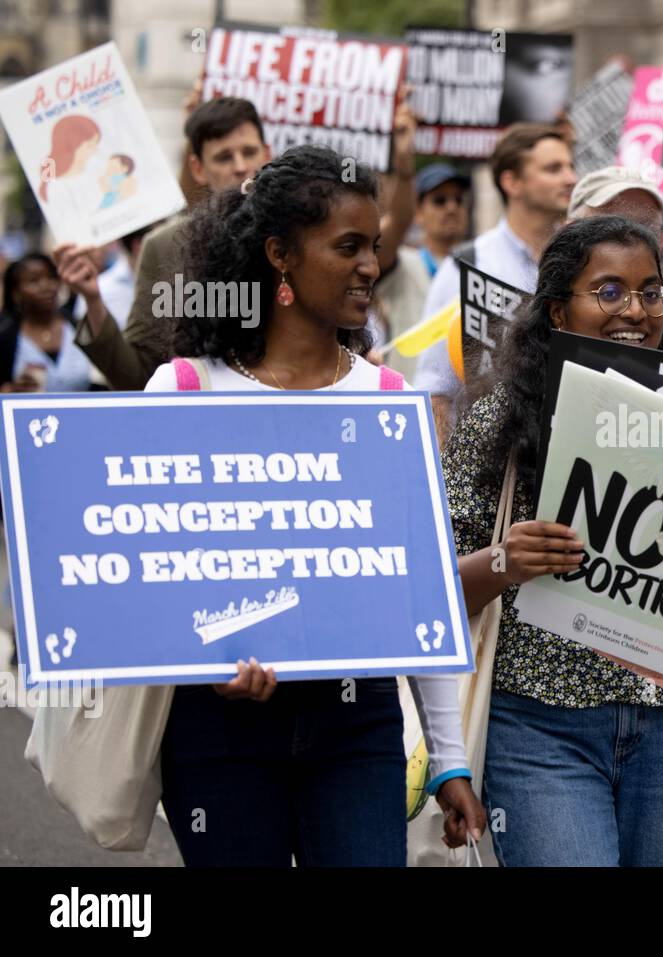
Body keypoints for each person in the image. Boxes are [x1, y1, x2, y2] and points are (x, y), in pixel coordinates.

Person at [115, 144, 483, 866]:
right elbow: (145, 572)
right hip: (218, 733)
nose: (370, 266)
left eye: (373, 246)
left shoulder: (389, 403)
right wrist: (206, 658)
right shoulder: (184, 388)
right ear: (279, 254)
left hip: (358, 729)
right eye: (346, 246)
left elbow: (421, 591)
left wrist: (448, 759)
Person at [443, 215, 663, 866]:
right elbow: (438, 591)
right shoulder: (499, 423)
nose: (634, 309)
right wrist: (505, 559)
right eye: (608, 291)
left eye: (650, 291)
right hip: (541, 731)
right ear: (558, 311)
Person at [72, 97, 272, 390]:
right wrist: (92, 299)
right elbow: (138, 377)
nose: (240, 167)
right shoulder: (165, 247)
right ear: (199, 168)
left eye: (249, 152)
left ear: (267, 155)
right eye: (224, 157)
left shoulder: (299, 238)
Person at [415, 124, 576, 442]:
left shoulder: (584, 261)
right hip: (490, 467)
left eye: (570, 166)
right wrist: (446, 478)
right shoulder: (468, 265)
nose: (570, 178)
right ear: (511, 182)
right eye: (553, 168)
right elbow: (436, 389)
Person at [567, 166, 663, 361]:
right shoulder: (524, 301)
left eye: (644, 227)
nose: (629, 239)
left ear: (662, 241)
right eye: (609, 223)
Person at [0, 254, 95, 393]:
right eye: (34, 281)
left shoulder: (79, 327)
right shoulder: (6, 339)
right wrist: (8, 392)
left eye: (51, 278)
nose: (46, 286)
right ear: (15, 293)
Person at [412, 164, 471, 279]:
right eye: (440, 200)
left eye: (458, 200)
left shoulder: (482, 266)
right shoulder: (404, 266)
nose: (452, 208)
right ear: (418, 212)